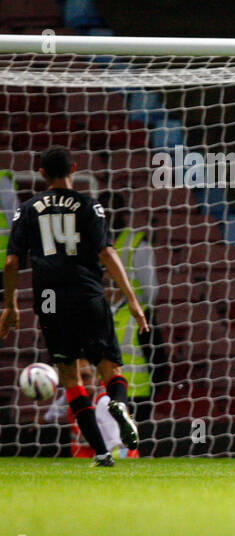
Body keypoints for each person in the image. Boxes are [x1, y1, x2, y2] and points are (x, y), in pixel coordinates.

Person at [0, 146, 147, 467]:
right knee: (110, 367)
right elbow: (107, 255)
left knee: (71, 380)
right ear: (74, 169)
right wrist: (133, 300)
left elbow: (11, 263)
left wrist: (10, 305)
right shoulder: (89, 206)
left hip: (51, 301)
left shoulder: (27, 209)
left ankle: (102, 452)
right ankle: (118, 404)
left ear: (41, 173)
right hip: (89, 294)